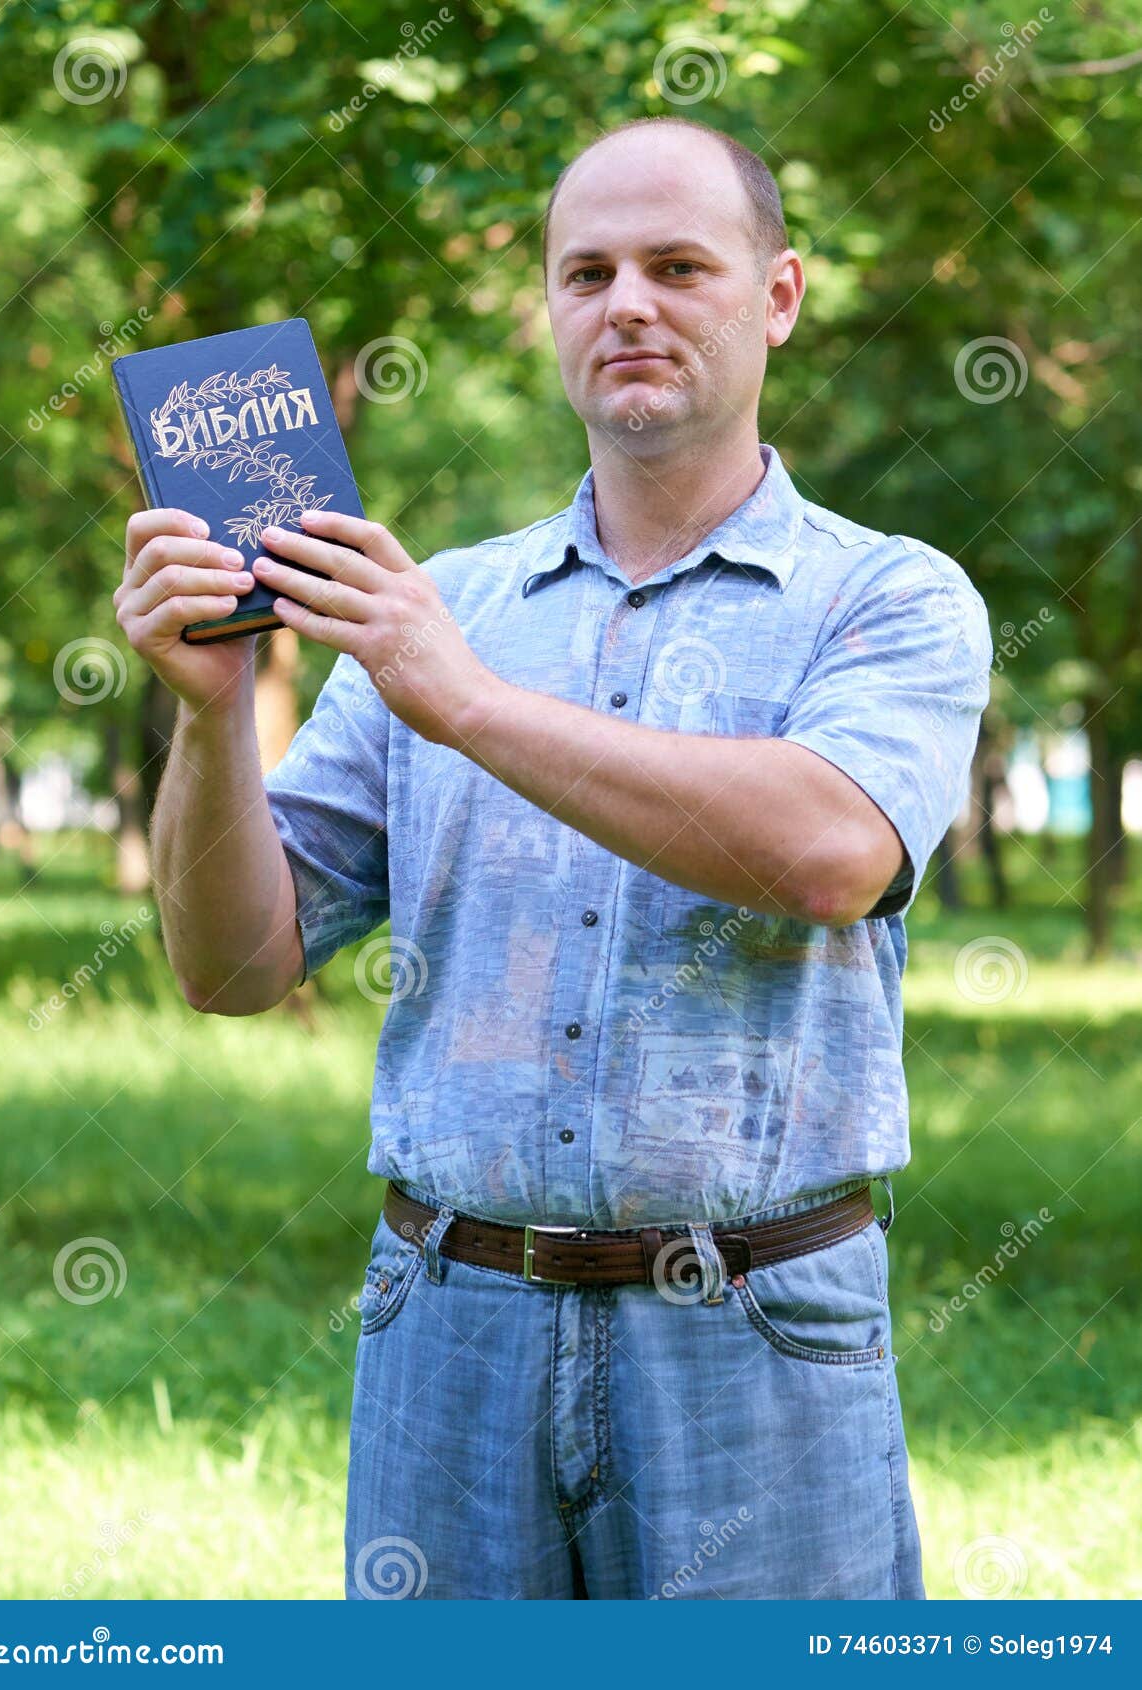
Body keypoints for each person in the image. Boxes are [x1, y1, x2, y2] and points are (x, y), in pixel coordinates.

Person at [116, 116, 992, 1600]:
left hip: (755, 1327)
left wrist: (466, 701)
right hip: (448, 1316)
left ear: (776, 295)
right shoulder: (441, 604)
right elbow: (232, 965)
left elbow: (832, 849)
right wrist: (208, 725)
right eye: (584, 272)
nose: (626, 304)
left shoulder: (889, 596)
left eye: (676, 265)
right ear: (548, 309)